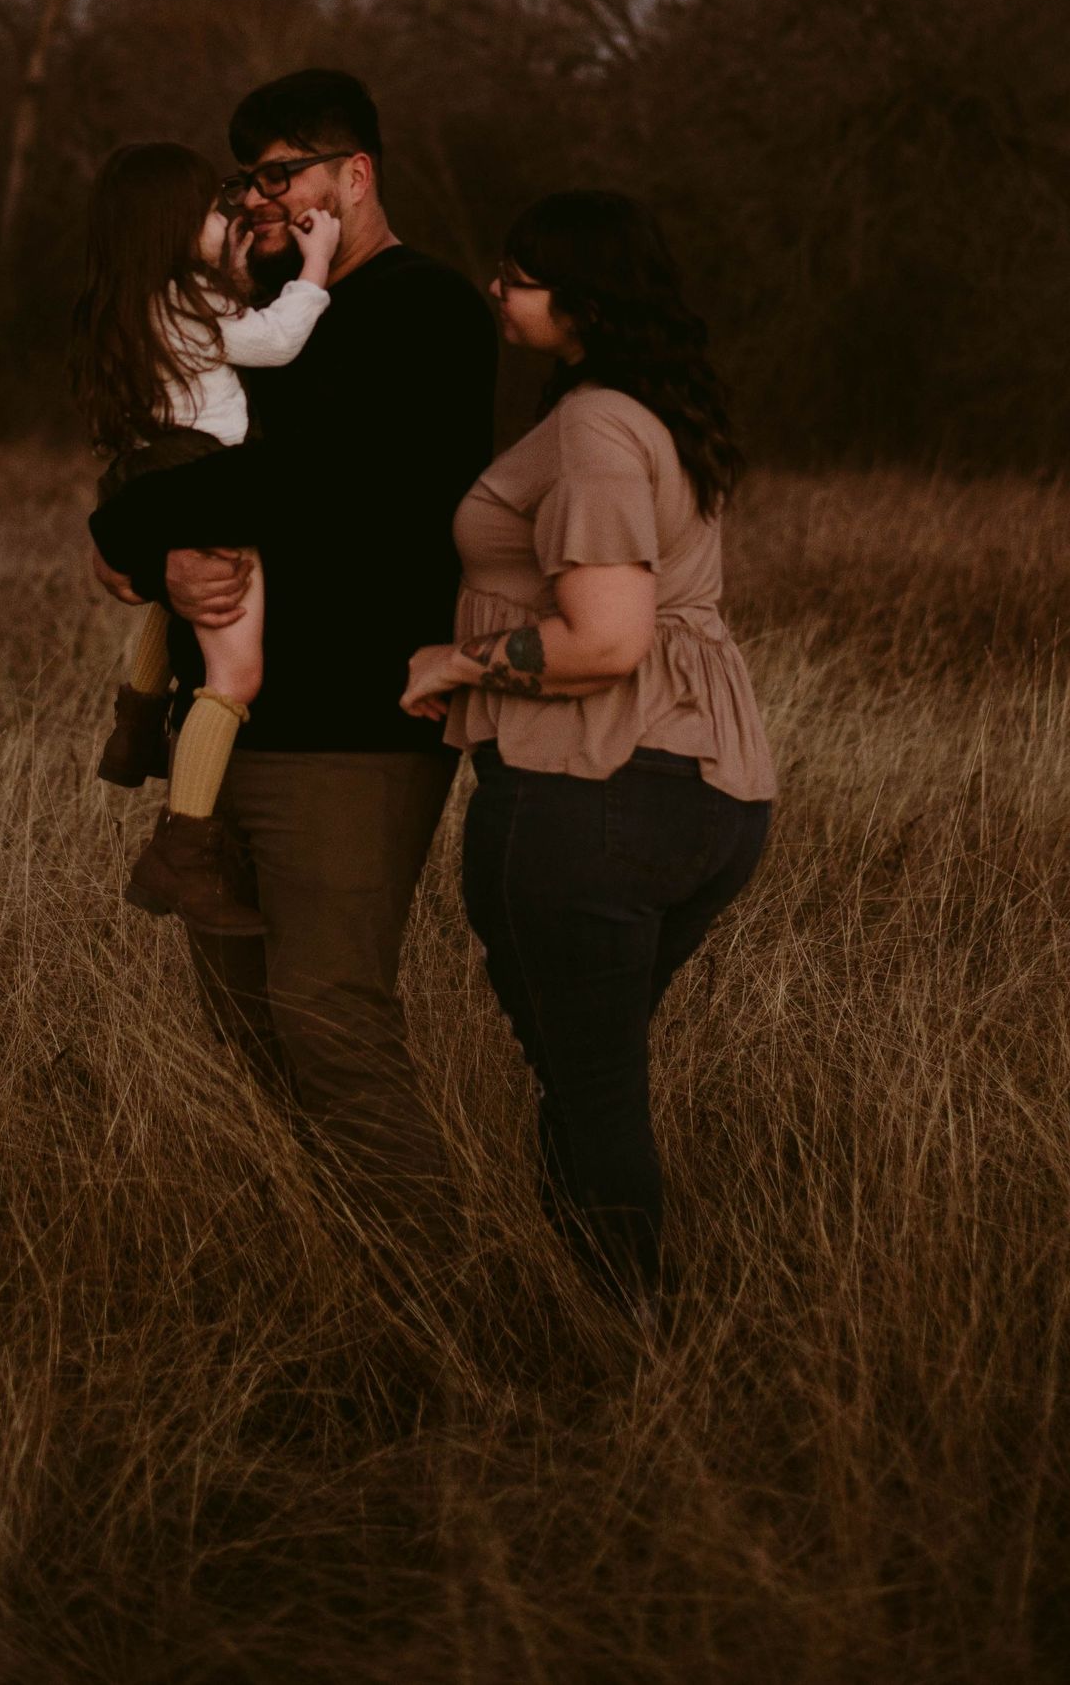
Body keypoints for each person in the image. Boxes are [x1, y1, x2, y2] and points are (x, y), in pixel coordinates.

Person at [89, 70, 497, 1219]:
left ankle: (441, 1304)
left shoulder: (423, 309)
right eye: (248, 179)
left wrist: (129, 526)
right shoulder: (251, 302)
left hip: (351, 730)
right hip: (227, 726)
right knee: (246, 1022)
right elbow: (165, 445)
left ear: (353, 174)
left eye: (281, 173)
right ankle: (329, 1275)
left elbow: (309, 482)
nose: (260, 198)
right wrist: (142, 541)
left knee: (330, 1017)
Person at [401, 190, 775, 1308]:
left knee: (594, 1085)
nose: (498, 290)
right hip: (709, 785)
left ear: (584, 300)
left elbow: (604, 639)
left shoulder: (598, 424)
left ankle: (622, 1338)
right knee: (589, 1074)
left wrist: (454, 664)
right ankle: (600, 1317)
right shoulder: (657, 415)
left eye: (520, 274)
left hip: (598, 785)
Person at [71, 141, 341, 931]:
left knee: (184, 596)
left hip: (152, 472)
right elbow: (275, 342)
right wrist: (314, 266)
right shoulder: (191, 296)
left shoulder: (129, 301)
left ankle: (137, 721)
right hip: (204, 478)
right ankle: (183, 849)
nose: (227, 219)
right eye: (213, 211)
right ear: (172, 226)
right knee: (235, 676)